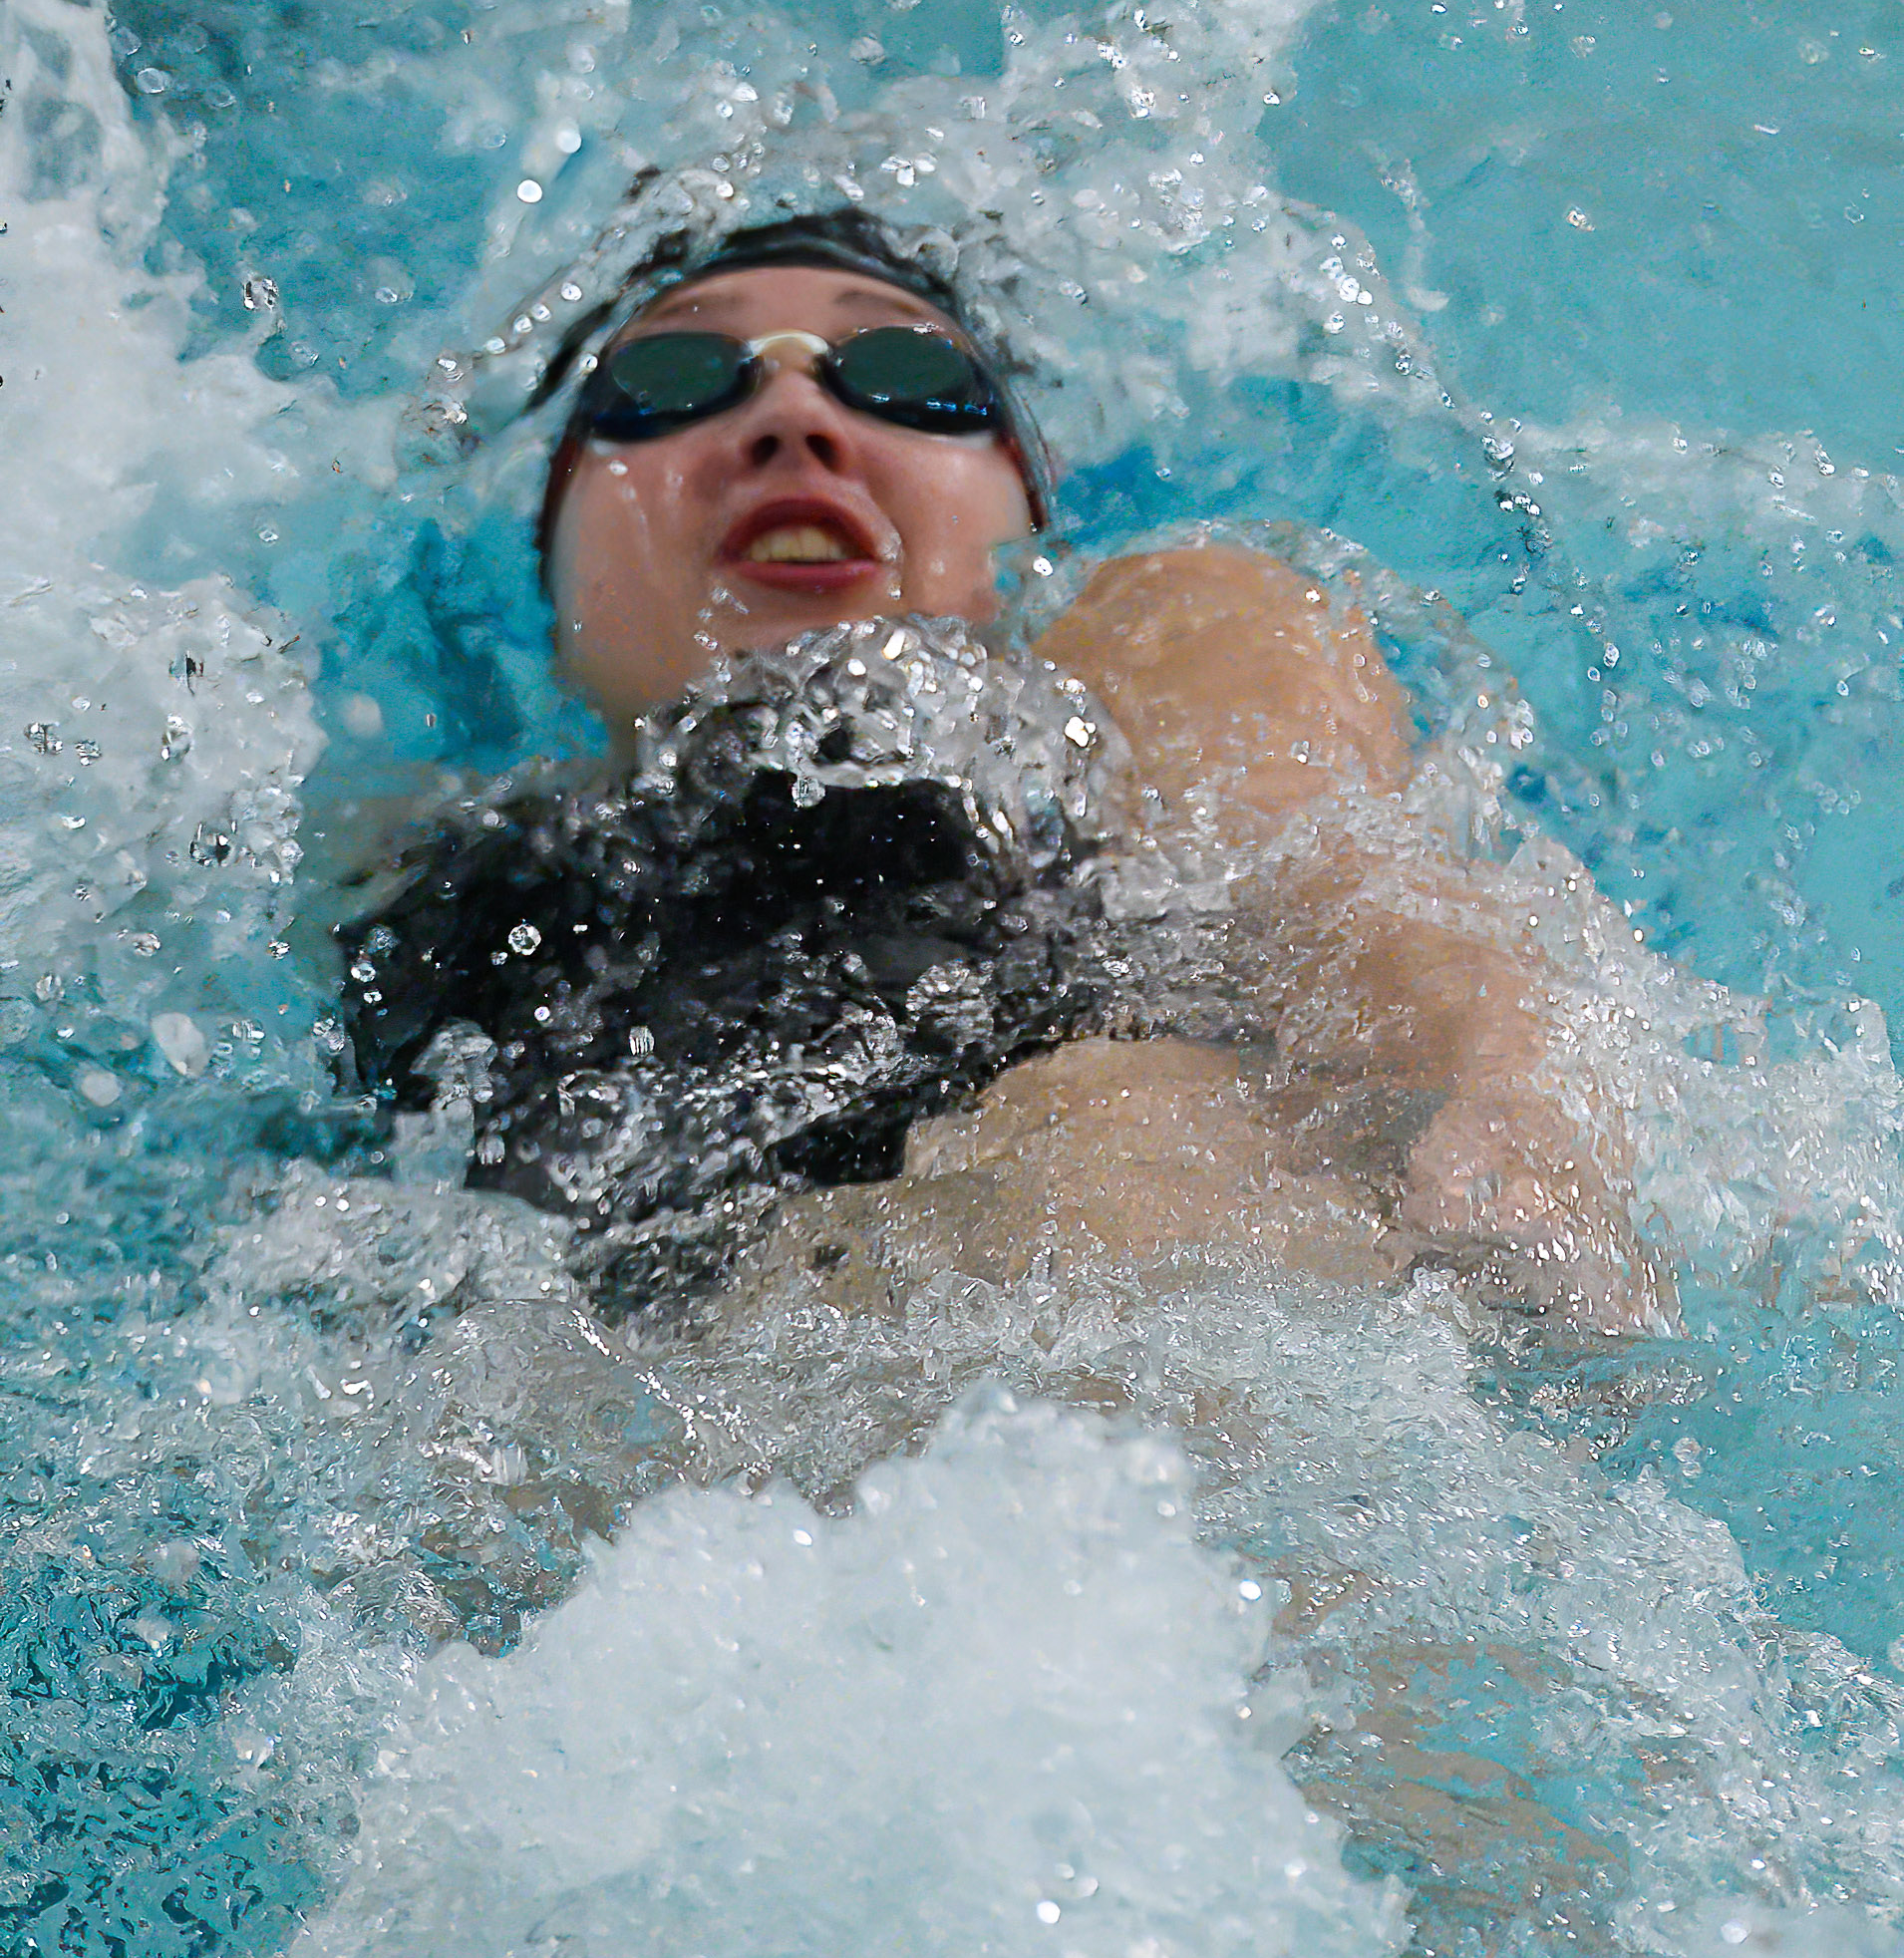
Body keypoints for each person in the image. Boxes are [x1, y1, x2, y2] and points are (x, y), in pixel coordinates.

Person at [340, 210, 1671, 1334]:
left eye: (908, 384)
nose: (792, 419)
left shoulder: (1173, 634)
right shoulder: (404, 868)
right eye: (673, 385)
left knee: (1109, 1140)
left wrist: (1499, 1101)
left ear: (1020, 524)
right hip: (642, 1450)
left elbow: (1350, 894)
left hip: (1121, 1306)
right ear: (551, 564)